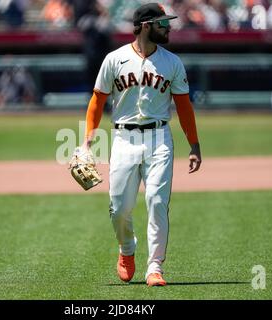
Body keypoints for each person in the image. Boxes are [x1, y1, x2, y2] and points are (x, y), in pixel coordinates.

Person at [81, 3, 201, 286]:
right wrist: (88, 139)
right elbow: (98, 100)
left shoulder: (172, 62)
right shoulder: (115, 59)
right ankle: (127, 248)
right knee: (119, 208)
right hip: (123, 138)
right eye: (163, 23)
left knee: (157, 202)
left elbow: (184, 107)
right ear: (146, 26)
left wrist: (194, 144)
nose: (169, 27)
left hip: (159, 138)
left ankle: (155, 267)